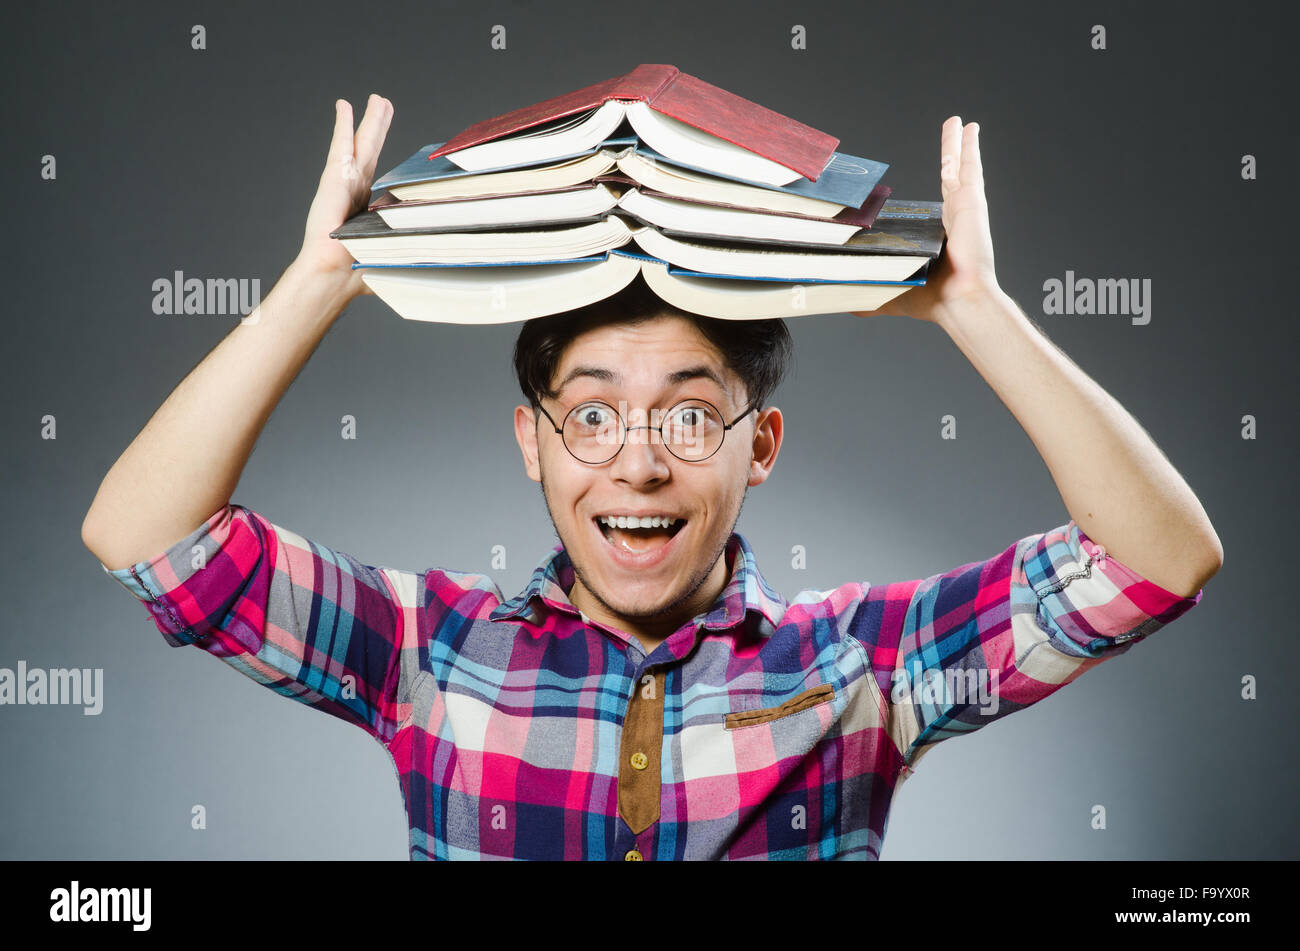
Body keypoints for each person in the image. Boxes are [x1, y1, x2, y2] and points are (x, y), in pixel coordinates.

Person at [81, 94, 1223, 860]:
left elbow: (1157, 560)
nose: (637, 458)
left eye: (688, 412)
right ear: (530, 442)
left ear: (758, 447)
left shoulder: (861, 662)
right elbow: (146, 538)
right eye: (589, 415)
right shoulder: (430, 648)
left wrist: (976, 310)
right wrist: (317, 283)